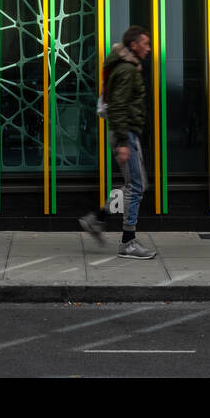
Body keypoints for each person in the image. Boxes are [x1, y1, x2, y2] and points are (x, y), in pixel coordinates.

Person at [78, 25, 157, 259]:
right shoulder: (126, 69)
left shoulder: (127, 66)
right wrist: (123, 142)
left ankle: (97, 218)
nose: (149, 49)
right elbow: (119, 106)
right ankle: (128, 242)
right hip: (125, 134)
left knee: (137, 184)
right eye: (146, 44)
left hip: (127, 132)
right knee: (135, 186)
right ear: (134, 45)